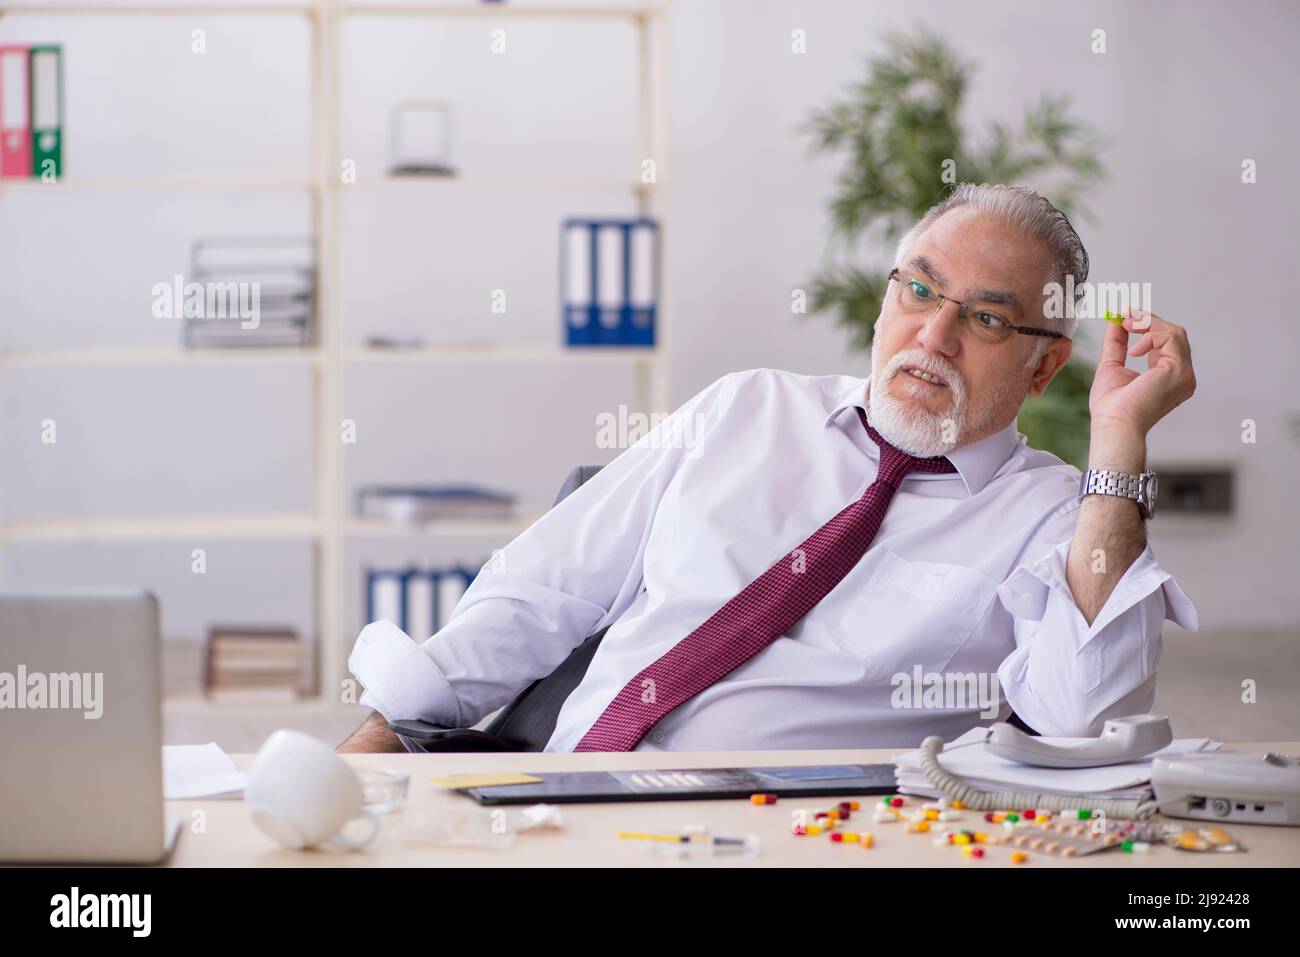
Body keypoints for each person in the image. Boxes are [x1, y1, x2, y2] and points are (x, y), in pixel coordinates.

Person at [339, 183, 1197, 754]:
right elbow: (539, 593)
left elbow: (1086, 715)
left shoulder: (1049, 519)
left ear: (1045, 368)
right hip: (557, 804)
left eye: (988, 320)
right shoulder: (745, 408)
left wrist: (1118, 440)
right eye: (921, 292)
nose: (934, 337)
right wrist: (378, 742)